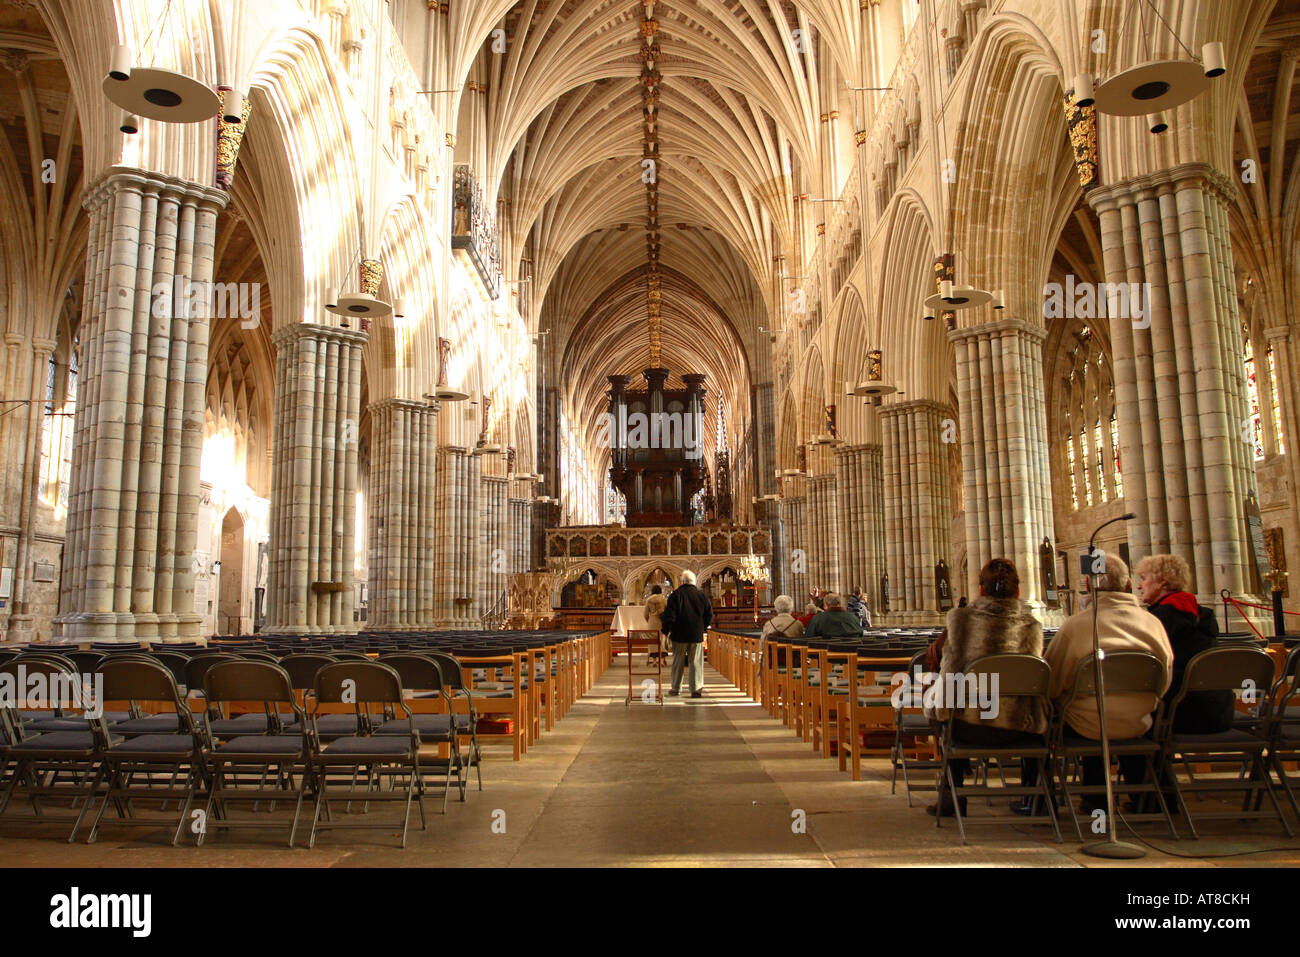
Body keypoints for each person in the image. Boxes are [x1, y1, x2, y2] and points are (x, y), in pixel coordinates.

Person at [1044, 552, 1172, 812]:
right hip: (1139, 721)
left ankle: (1088, 800)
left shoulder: (1075, 626)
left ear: (1089, 586)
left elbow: (1049, 682)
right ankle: (1145, 798)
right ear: (1127, 586)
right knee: (1113, 710)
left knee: (1079, 711)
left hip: (1086, 725)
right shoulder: (1153, 623)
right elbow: (1165, 679)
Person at [923, 558, 1048, 817]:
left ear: (980, 589)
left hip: (969, 729)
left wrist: (933, 706)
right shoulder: (1032, 626)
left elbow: (950, 678)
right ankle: (1035, 796)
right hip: (1020, 728)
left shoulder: (962, 622)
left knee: (943, 705)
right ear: (1017, 591)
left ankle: (952, 794)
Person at [1135, 554, 1234, 734]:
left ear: (1162, 582)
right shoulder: (1204, 615)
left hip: (1178, 714)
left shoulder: (1159, 620)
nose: (1139, 586)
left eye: (1143, 579)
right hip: (1219, 712)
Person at [660, 569, 712, 698]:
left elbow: (670, 616)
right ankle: (696, 689)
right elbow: (709, 614)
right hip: (696, 634)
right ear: (694, 582)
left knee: (678, 661)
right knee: (696, 662)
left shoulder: (676, 595)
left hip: (679, 634)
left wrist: (666, 631)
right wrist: (702, 627)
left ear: (682, 581)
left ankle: (676, 688)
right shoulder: (701, 596)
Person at [758, 594, 804, 667]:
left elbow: (761, 646)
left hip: (771, 663)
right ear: (791, 608)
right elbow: (802, 645)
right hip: (793, 663)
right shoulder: (798, 624)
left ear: (776, 608)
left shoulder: (769, 624)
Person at [645, 585, 669, 658]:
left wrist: (649, 621)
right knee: (662, 638)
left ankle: (654, 660)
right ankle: (662, 659)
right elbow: (667, 611)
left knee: (652, 640)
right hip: (661, 621)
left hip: (652, 621)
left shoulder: (648, 600)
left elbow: (645, 614)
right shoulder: (664, 599)